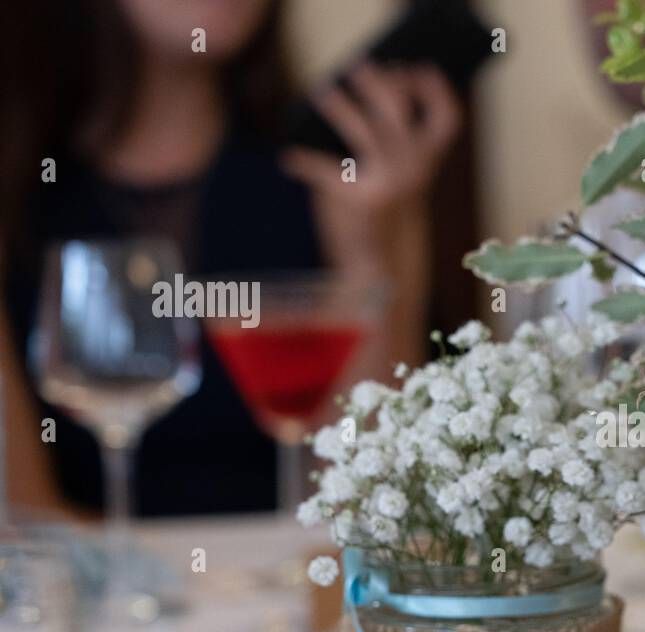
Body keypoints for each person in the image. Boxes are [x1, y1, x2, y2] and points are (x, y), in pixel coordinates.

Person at [0, 0, 468, 516]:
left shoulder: (334, 182)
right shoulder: (24, 194)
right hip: (100, 589)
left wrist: (372, 258)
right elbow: (22, 524)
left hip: (287, 587)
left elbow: (364, 505)